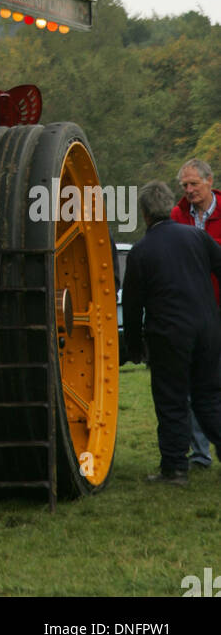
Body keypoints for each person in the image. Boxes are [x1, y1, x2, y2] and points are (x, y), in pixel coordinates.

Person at [122, 180, 221, 485]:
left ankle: (176, 468)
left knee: (172, 400)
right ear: (169, 206)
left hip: (168, 335)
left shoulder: (140, 251)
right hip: (207, 328)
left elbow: (133, 304)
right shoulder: (197, 237)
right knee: (210, 397)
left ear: (145, 214)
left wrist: (135, 346)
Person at [171, 159, 221, 469]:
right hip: (193, 313)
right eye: (185, 186)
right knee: (193, 384)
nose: (189, 190)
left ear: (209, 181)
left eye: (194, 184)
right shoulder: (177, 216)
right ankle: (200, 454)